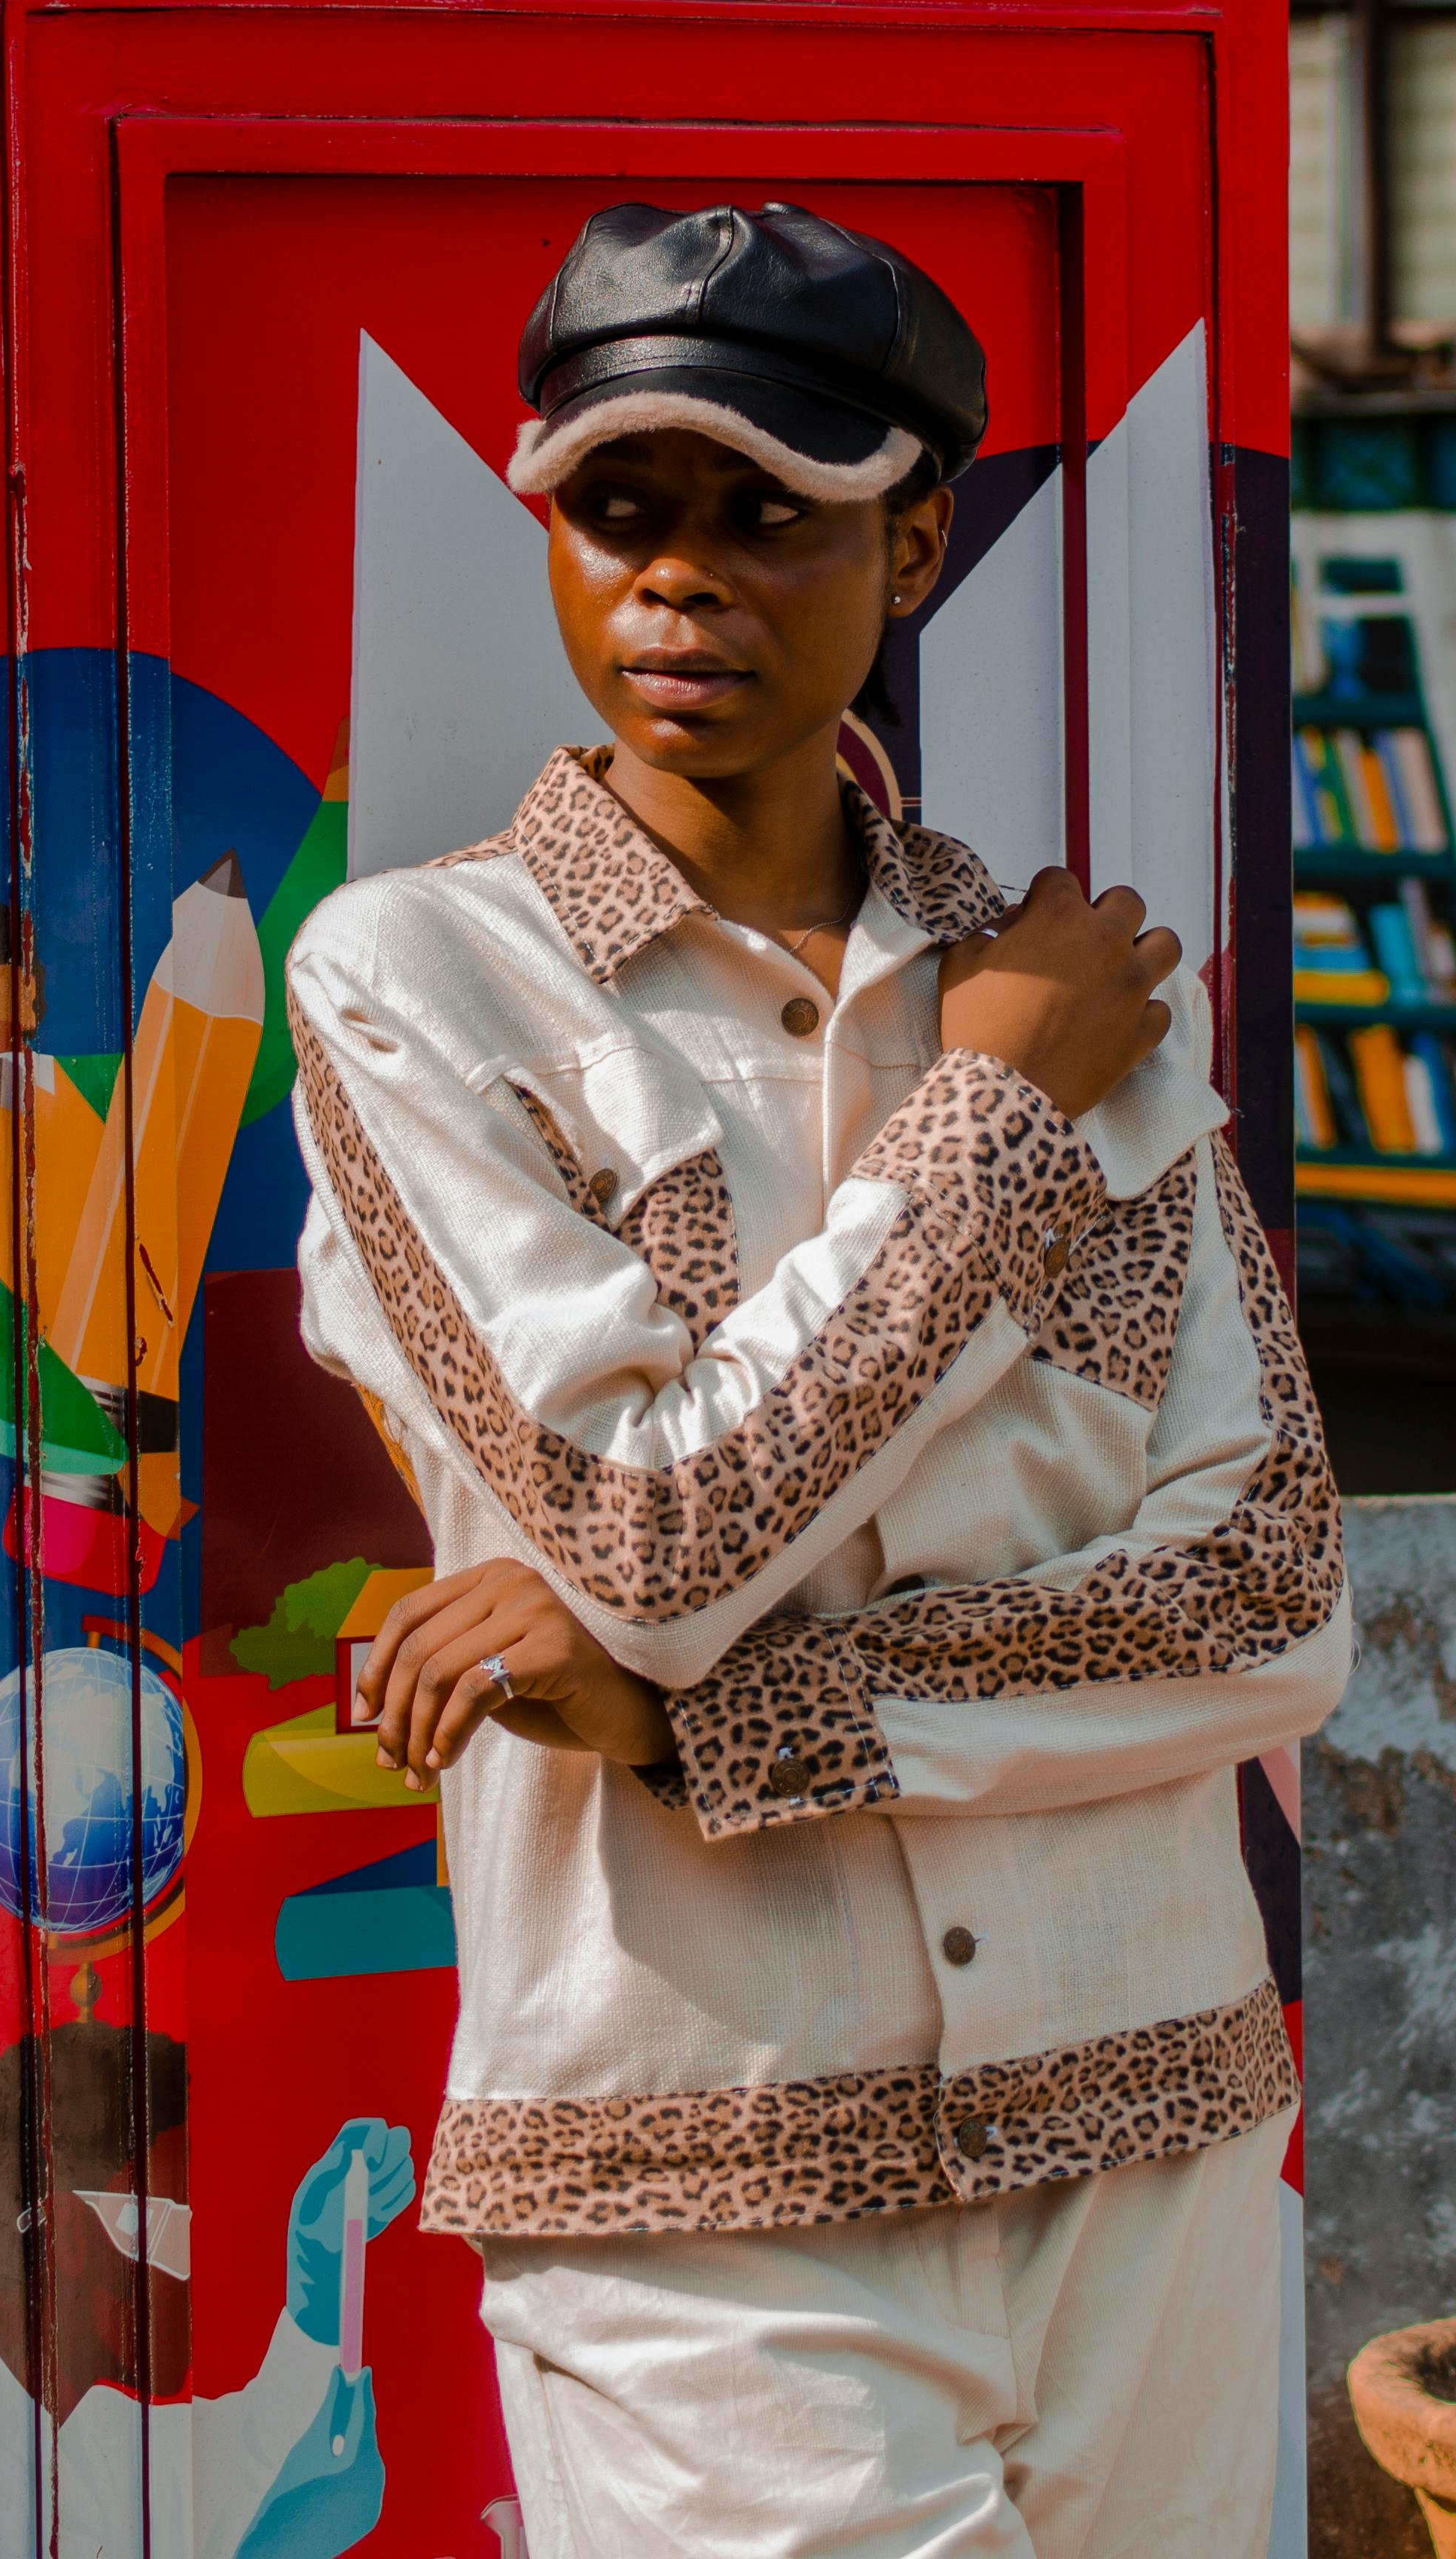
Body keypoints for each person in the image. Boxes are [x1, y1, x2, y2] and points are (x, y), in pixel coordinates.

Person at [290, 200, 1351, 2559]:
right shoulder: (421, 989)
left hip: (1149, 2143)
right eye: (620, 512)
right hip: (697, 2185)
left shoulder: (1067, 983)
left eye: (769, 510)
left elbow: (1267, 1603)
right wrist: (982, 1120)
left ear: (915, 533)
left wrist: (708, 1719)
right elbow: (647, 1533)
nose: (682, 580)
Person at [0, 2007, 413, 2559]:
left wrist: (319, 2276)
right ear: (67, 2237)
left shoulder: (92, 2432)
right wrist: (284, 2545)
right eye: (168, 2228)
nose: (187, 2274)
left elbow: (249, 2448)